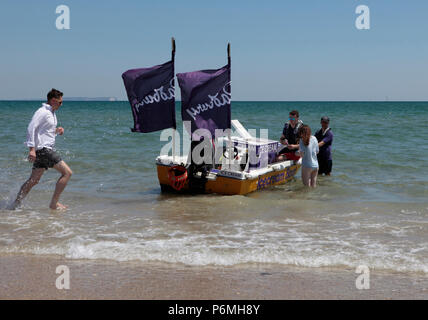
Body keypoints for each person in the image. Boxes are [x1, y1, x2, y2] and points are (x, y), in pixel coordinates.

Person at [12, 89, 72, 210]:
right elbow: (31, 128)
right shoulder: (42, 111)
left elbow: (44, 132)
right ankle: (53, 203)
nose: (62, 104)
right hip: (44, 150)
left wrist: (57, 130)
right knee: (67, 173)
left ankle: (15, 204)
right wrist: (31, 149)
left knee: (33, 180)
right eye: (60, 102)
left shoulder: (51, 113)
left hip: (43, 150)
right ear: (53, 101)